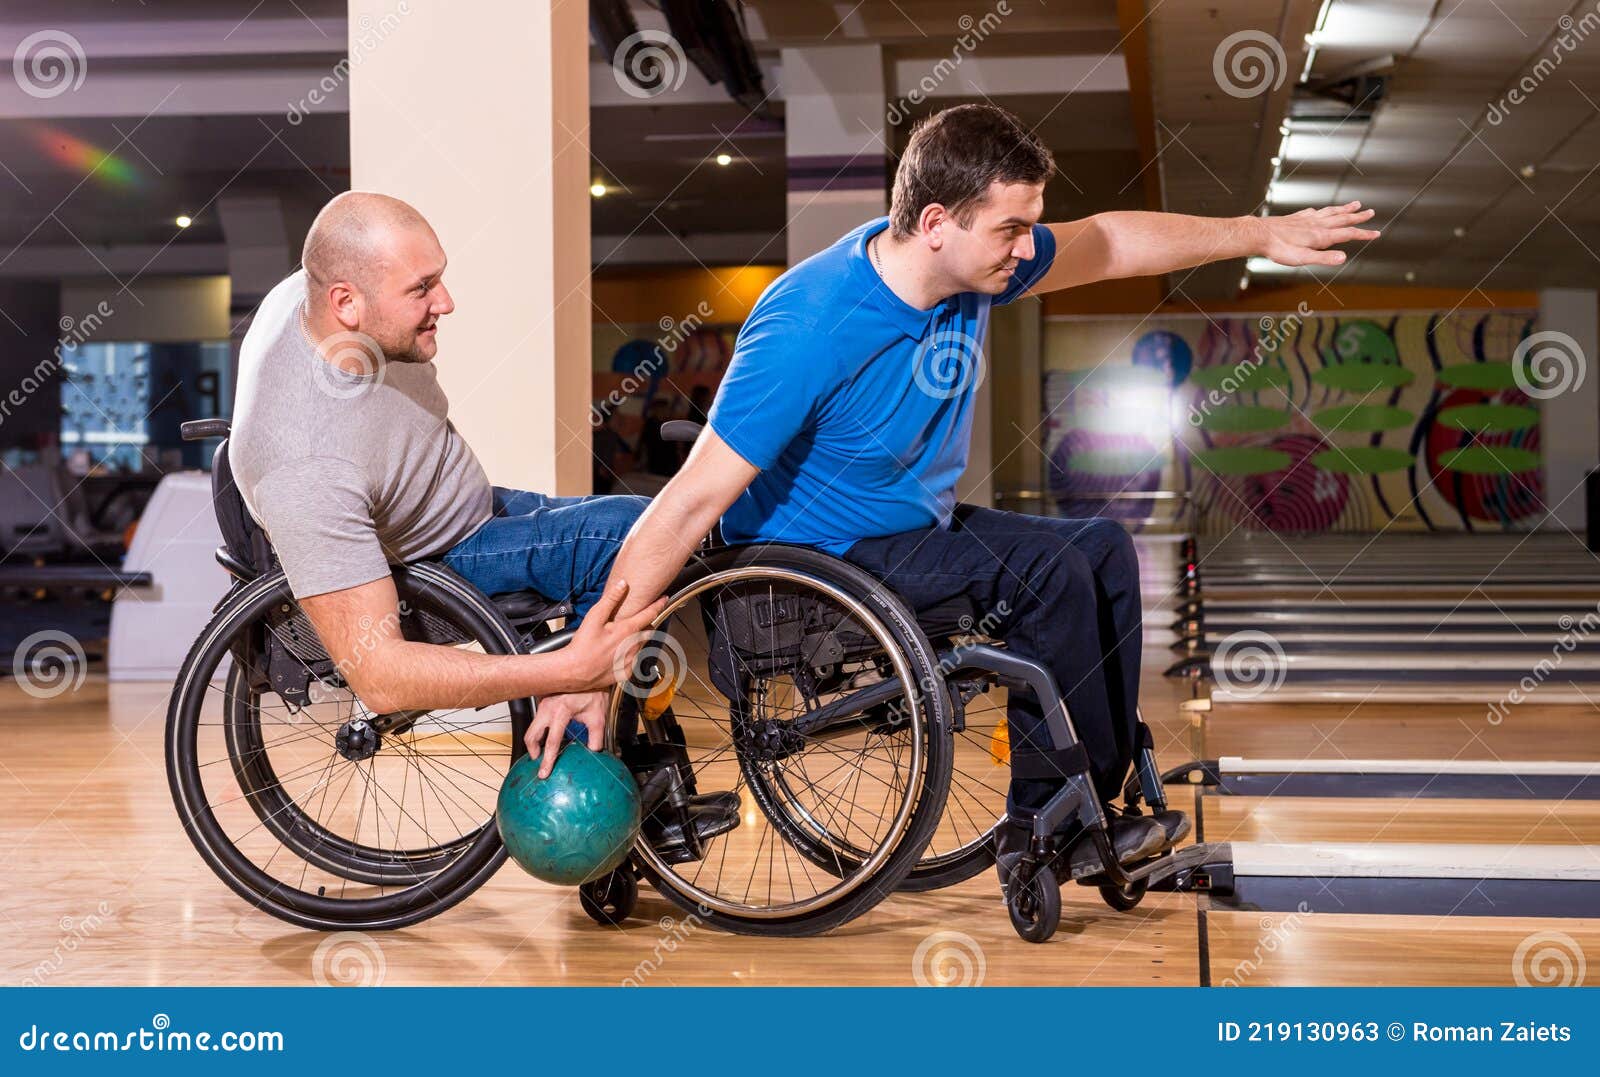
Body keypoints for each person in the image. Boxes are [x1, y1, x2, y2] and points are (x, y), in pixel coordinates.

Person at [541, 103, 1379, 881]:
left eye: (1029, 226)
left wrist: (1262, 231)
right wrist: (590, 657)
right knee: (1046, 571)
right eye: (1011, 228)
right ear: (936, 224)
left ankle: (1099, 800)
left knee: (1101, 549)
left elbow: (1113, 241)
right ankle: (1042, 826)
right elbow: (688, 500)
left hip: (908, 536)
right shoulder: (811, 323)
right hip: (811, 567)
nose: (1026, 247)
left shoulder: (974, 270)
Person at [229, 191, 666, 780]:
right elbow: (380, 679)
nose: (447, 302)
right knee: (629, 536)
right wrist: (570, 670)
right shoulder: (304, 466)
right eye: (422, 289)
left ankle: (606, 722)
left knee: (659, 530)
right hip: (435, 558)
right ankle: (577, 788)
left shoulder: (309, 294)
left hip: (460, 504)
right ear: (346, 303)